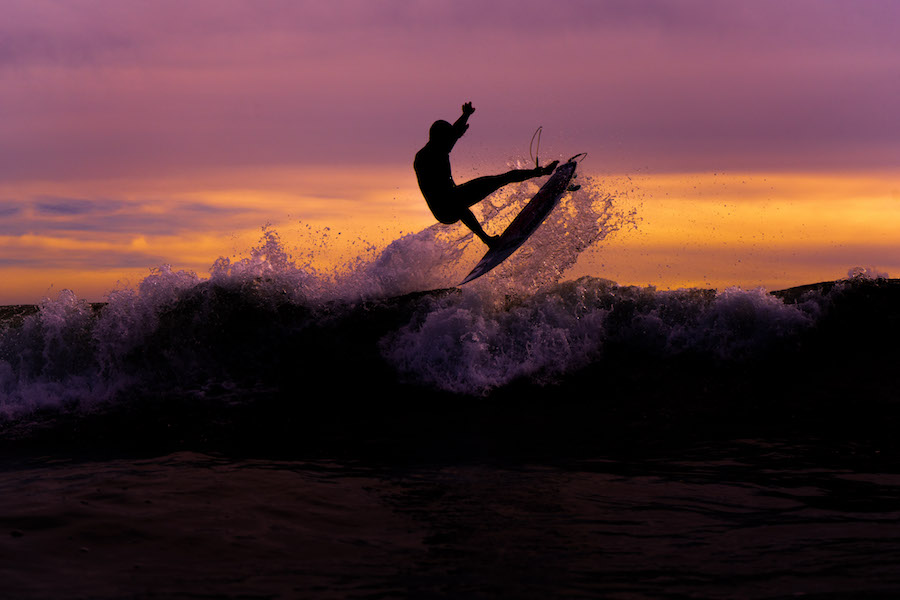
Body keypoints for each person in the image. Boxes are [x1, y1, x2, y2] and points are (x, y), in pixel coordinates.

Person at [414, 102, 558, 249]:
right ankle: (487, 240)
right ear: (438, 139)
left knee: (501, 179)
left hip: (453, 197)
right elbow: (452, 136)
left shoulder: (440, 146)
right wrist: (462, 121)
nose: (452, 141)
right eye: (448, 139)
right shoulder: (426, 157)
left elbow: (454, 133)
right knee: (457, 203)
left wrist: (466, 115)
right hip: (444, 209)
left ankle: (540, 172)